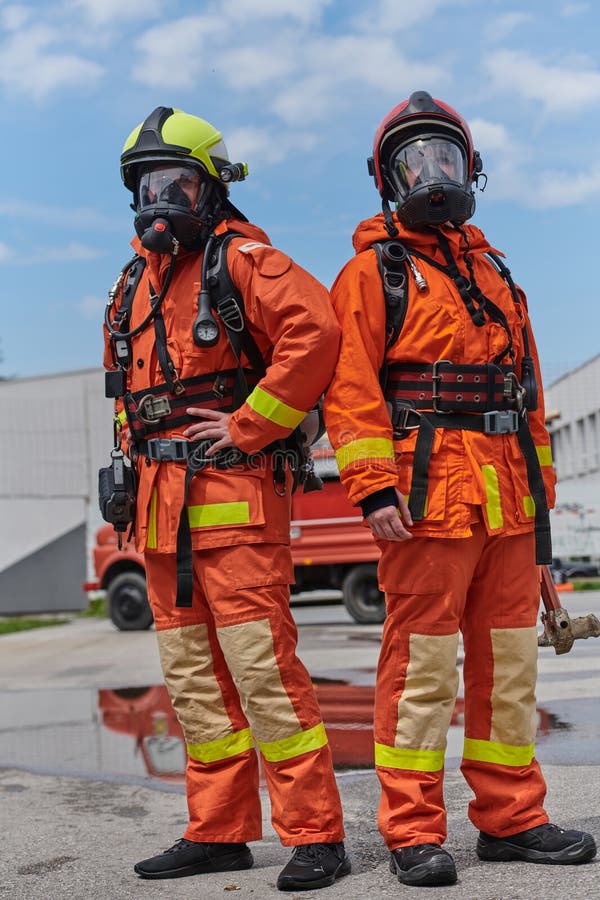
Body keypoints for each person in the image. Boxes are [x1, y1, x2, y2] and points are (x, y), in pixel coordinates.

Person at [323, 91, 597, 887]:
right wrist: (373, 488)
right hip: (426, 501)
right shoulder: (372, 273)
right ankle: (412, 830)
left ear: (470, 168)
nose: (432, 172)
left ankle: (512, 820)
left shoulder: (496, 273)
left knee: (510, 668)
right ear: (388, 179)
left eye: (444, 156)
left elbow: (529, 398)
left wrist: (542, 499)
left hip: (509, 500)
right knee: (423, 672)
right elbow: (350, 389)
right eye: (415, 161)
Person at [102, 106, 350, 892]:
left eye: (174, 181)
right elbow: (129, 395)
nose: (158, 199)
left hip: (234, 506)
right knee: (193, 684)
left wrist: (249, 425)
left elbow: (317, 334)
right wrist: (126, 470)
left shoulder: (242, 261)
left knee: (262, 673)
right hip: (158, 515)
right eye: (146, 184)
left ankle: (316, 836)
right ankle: (218, 831)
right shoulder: (131, 284)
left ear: (211, 188)